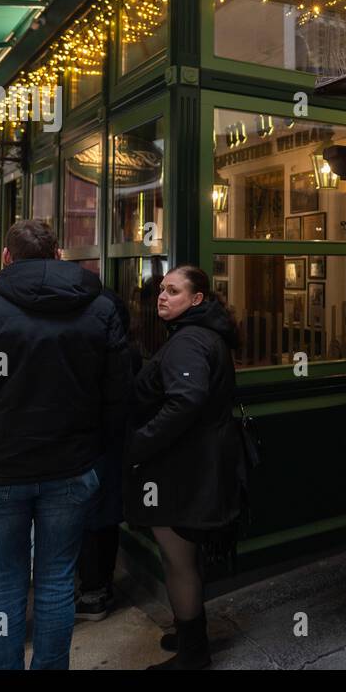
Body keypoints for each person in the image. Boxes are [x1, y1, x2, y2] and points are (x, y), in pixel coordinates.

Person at [0, 220, 129, 670]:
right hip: (70, 468)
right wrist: (95, 451)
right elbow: (118, 394)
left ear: (6, 258)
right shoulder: (99, 309)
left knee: (3, 588)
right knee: (56, 583)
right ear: (58, 254)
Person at [125, 266, 244, 670]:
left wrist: (137, 444)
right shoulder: (202, 333)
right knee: (186, 556)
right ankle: (189, 630)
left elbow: (186, 401)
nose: (162, 296)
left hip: (184, 467)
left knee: (178, 560)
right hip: (200, 464)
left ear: (196, 299)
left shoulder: (189, 341)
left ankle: (194, 653)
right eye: (161, 289)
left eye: (173, 291)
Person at [74, 290, 138, 622]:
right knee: (100, 519)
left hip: (92, 449)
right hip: (106, 448)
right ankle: (96, 588)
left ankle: (93, 590)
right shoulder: (128, 353)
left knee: (92, 519)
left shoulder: (89, 355)